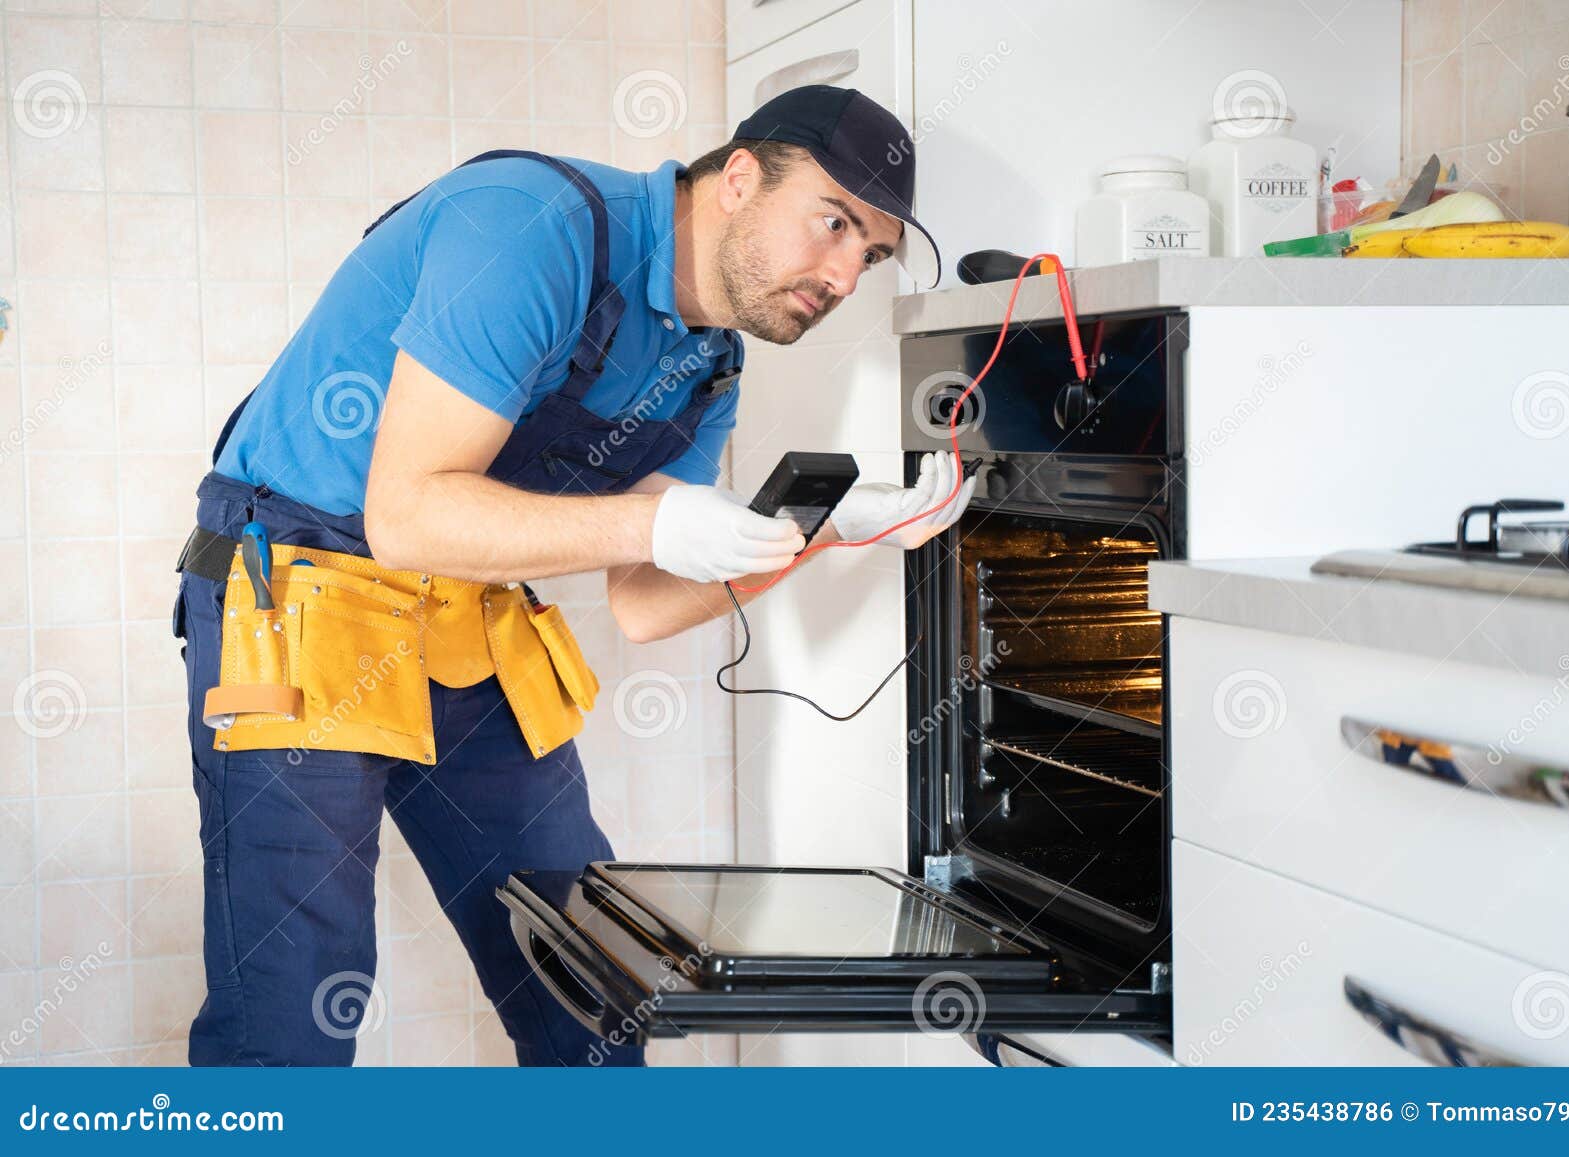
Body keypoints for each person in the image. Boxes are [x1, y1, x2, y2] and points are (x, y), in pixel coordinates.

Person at [171, 83, 975, 1066]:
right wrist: (651, 515)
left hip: (462, 605)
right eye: (834, 222)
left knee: (586, 973)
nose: (846, 272)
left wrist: (822, 526)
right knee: (291, 1007)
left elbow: (642, 601)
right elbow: (407, 512)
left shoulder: (710, 363)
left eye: (873, 253)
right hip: (299, 590)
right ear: (737, 177)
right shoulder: (532, 228)